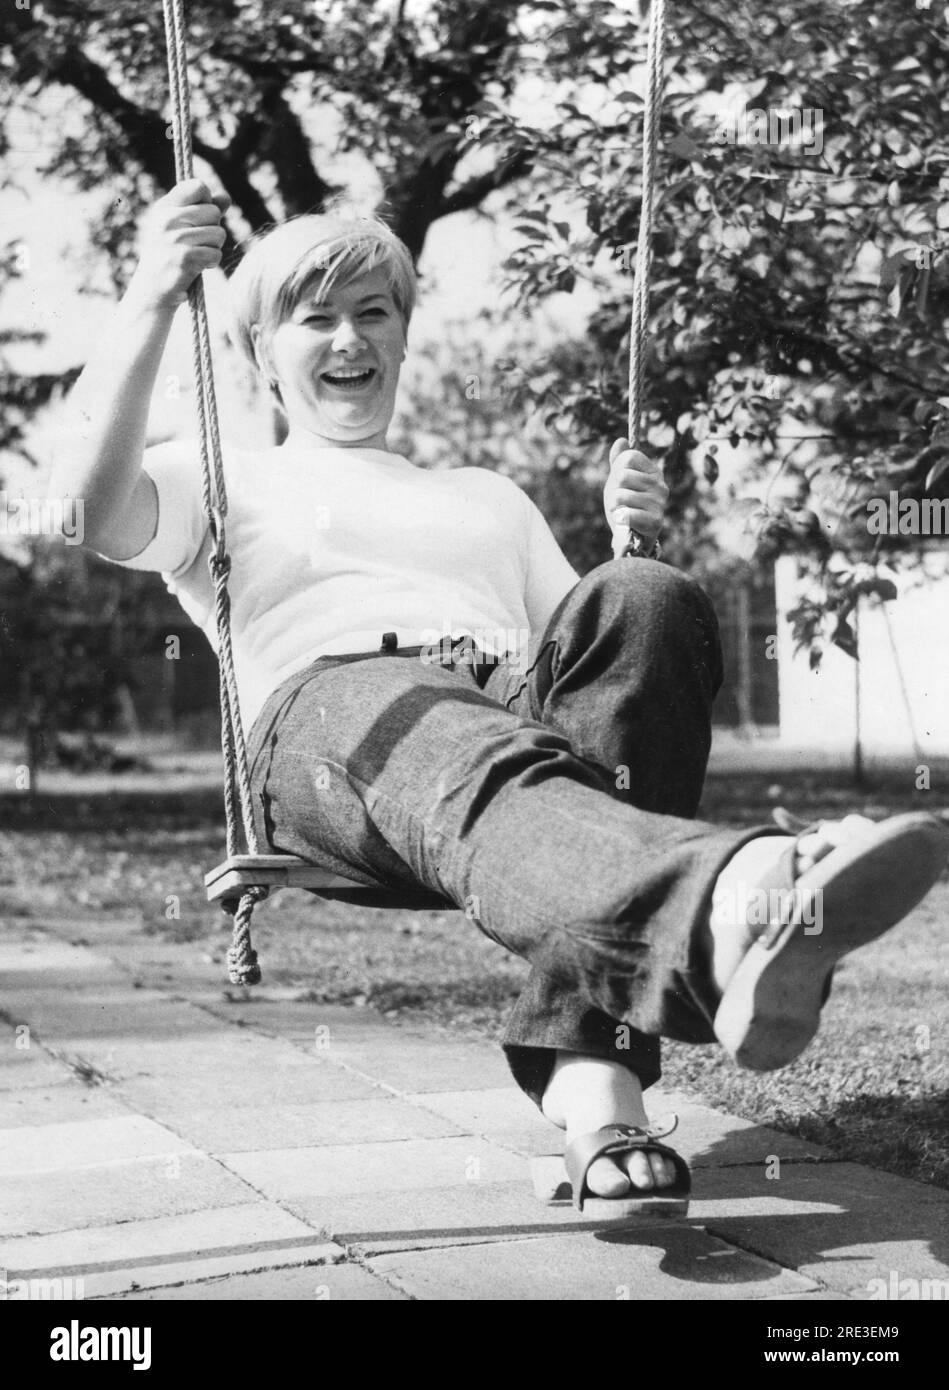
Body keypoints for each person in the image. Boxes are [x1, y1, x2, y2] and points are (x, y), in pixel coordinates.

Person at [52, 180, 949, 1214]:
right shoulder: (222, 477)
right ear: (260, 356)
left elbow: (608, 689)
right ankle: (729, 906)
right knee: (467, 744)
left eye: (374, 312)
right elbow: (79, 509)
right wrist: (150, 297)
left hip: (499, 710)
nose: (350, 339)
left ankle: (597, 1090)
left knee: (646, 600)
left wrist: (634, 557)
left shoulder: (486, 496)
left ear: (401, 335)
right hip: (329, 717)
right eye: (315, 317)